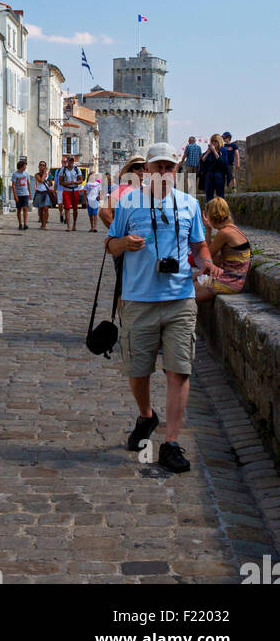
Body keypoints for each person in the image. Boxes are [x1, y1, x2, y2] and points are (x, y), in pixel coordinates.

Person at [105, 142, 221, 474]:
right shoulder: (129, 203)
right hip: (139, 300)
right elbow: (110, 245)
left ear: (176, 170)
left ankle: (171, 442)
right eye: (159, 167)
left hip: (180, 299)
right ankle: (147, 415)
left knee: (179, 369)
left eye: (170, 167)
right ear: (147, 171)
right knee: (137, 372)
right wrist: (125, 243)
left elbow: (199, 246)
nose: (165, 172)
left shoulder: (188, 204)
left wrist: (207, 263)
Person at [194, 198, 251, 302]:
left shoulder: (224, 233)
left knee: (187, 292)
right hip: (232, 279)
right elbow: (214, 259)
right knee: (191, 277)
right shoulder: (234, 229)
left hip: (229, 282)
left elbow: (207, 255)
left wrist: (208, 229)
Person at [201, 135, 228, 204]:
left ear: (219, 142)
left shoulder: (223, 150)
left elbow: (222, 162)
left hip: (219, 175)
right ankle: (209, 212)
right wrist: (208, 152)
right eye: (212, 141)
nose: (213, 143)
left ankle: (221, 212)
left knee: (220, 196)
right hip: (209, 175)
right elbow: (203, 160)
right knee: (209, 196)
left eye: (215, 141)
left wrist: (214, 151)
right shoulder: (209, 152)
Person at [59, 154, 82, 231]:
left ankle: (74, 224)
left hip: (75, 190)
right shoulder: (63, 170)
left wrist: (76, 182)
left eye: (72, 160)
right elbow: (60, 182)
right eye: (70, 160)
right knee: (67, 208)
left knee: (75, 208)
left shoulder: (77, 169)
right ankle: (68, 225)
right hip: (66, 190)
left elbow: (81, 180)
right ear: (67, 161)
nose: (71, 162)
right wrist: (68, 183)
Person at [32, 160, 54, 229]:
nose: (42, 166)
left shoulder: (48, 175)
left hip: (46, 193)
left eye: (43, 165)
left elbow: (50, 184)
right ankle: (42, 222)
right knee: (41, 210)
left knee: (46, 208)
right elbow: (41, 180)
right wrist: (45, 173)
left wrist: (50, 179)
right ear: (39, 166)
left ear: (45, 166)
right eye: (41, 165)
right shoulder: (37, 175)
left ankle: (44, 225)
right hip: (39, 193)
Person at [11, 157, 31, 230]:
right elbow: (13, 185)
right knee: (19, 209)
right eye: (24, 166)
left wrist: (30, 193)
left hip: (25, 194)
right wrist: (15, 195)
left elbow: (28, 184)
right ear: (21, 167)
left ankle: (25, 224)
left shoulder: (26, 174)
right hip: (18, 194)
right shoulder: (15, 175)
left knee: (25, 208)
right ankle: (20, 224)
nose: (25, 167)